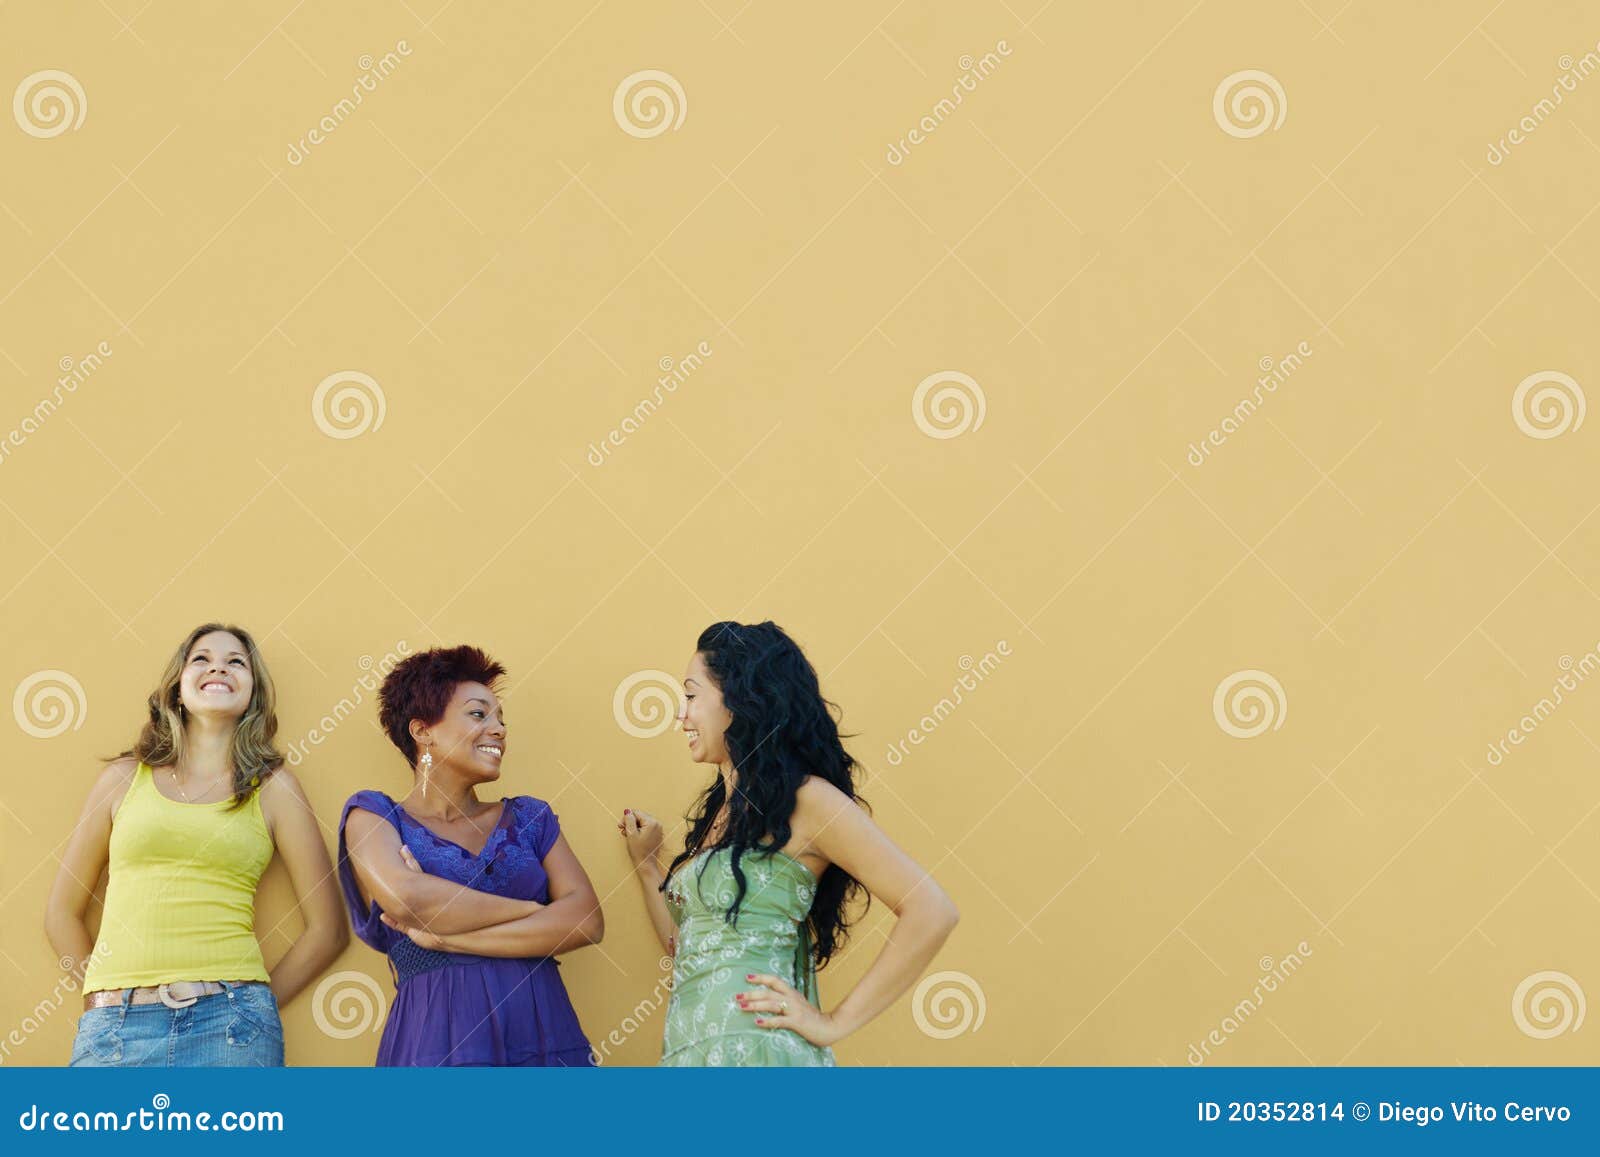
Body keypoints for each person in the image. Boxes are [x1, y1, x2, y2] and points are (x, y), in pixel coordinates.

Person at [621, 620, 960, 1065]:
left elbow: (932, 909)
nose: (681, 715)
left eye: (690, 695)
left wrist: (834, 1022)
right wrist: (648, 867)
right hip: (691, 1053)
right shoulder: (720, 817)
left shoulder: (807, 800)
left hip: (759, 1051)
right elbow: (686, 947)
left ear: (739, 701)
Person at [45, 623, 348, 1067]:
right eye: (201, 659)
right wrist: (104, 996)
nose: (218, 668)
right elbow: (60, 913)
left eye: (235, 662)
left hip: (232, 1027)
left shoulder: (275, 788)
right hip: (114, 1031)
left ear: (253, 693)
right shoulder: (122, 779)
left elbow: (328, 930)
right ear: (177, 688)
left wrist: (250, 1009)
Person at [338, 644, 601, 1066]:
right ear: (422, 730)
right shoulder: (374, 816)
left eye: (500, 719)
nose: (498, 729)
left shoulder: (531, 818)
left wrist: (445, 937)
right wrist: (537, 911)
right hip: (437, 1039)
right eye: (479, 714)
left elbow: (586, 922)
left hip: (543, 1031)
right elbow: (411, 901)